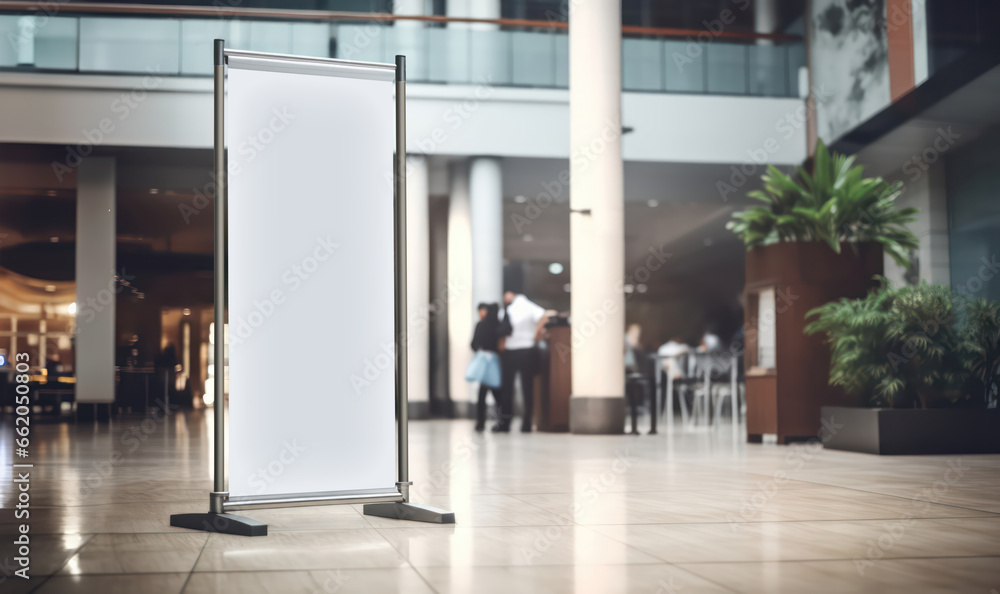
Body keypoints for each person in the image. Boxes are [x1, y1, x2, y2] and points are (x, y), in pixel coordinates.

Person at [497, 290, 548, 433]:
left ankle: (506, 423)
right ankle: (525, 424)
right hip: (526, 350)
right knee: (527, 388)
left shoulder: (522, 307)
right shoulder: (520, 308)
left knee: (509, 389)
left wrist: (536, 334)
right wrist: (536, 335)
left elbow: (544, 316)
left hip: (514, 351)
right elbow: (543, 316)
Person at [471, 303, 502, 432]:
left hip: (485, 362)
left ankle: (481, 423)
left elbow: (473, 344)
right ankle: (500, 420)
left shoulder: (481, 325)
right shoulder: (498, 325)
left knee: (484, 393)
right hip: (495, 361)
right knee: (496, 393)